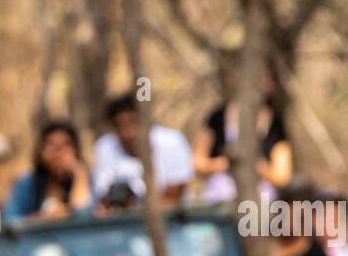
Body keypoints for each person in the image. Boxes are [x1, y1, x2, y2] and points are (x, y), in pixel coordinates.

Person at [193, 63, 292, 203]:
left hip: (261, 206)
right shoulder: (217, 116)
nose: (259, 83)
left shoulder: (276, 123)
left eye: (266, 78)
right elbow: (197, 163)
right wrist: (224, 164)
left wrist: (254, 165)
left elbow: (282, 176)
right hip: (217, 202)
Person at [91, 93, 194, 208]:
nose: (128, 133)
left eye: (133, 122)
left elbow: (173, 196)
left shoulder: (172, 142)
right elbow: (104, 200)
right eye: (120, 125)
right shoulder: (105, 147)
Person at [5, 120, 93, 223]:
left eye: (65, 145)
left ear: (76, 150)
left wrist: (79, 174)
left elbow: (85, 215)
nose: (58, 154)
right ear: (41, 152)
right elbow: (8, 219)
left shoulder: (88, 180)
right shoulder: (27, 184)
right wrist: (43, 218)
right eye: (51, 145)